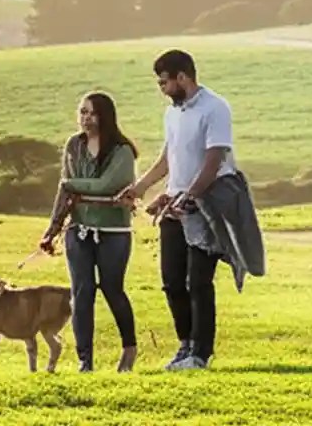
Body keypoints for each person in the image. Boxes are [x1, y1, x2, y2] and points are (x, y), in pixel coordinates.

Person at [115, 49, 240, 371]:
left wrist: (190, 196)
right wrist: (140, 188)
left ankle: (201, 353)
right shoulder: (173, 113)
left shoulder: (215, 108)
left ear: (182, 77)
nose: (162, 89)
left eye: (164, 83)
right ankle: (185, 346)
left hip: (206, 206)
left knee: (198, 282)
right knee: (172, 281)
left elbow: (214, 160)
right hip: (174, 204)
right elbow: (168, 159)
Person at [39, 92, 139, 373]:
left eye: (92, 113)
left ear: (105, 116)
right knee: (81, 293)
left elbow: (109, 184)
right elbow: (65, 189)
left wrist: (73, 186)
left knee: (112, 288)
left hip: (113, 231)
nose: (85, 118)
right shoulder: (73, 145)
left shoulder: (122, 151)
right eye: (82, 112)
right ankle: (85, 361)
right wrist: (52, 229)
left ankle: (129, 348)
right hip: (78, 229)